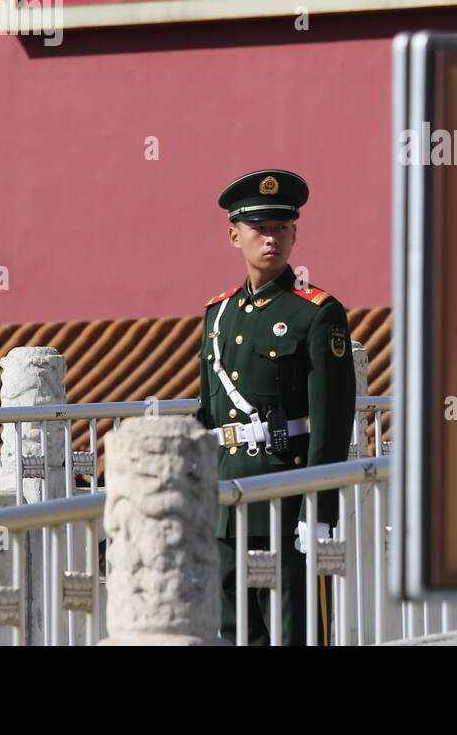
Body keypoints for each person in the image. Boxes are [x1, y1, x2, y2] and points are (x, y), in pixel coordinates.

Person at [196, 169, 356, 645]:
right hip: (229, 494)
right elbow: (208, 412)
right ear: (234, 235)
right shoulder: (217, 314)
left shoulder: (315, 312)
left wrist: (320, 507)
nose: (272, 239)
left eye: (282, 228)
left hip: (290, 494)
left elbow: (331, 417)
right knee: (236, 627)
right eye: (260, 228)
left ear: (294, 233)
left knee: (295, 626)